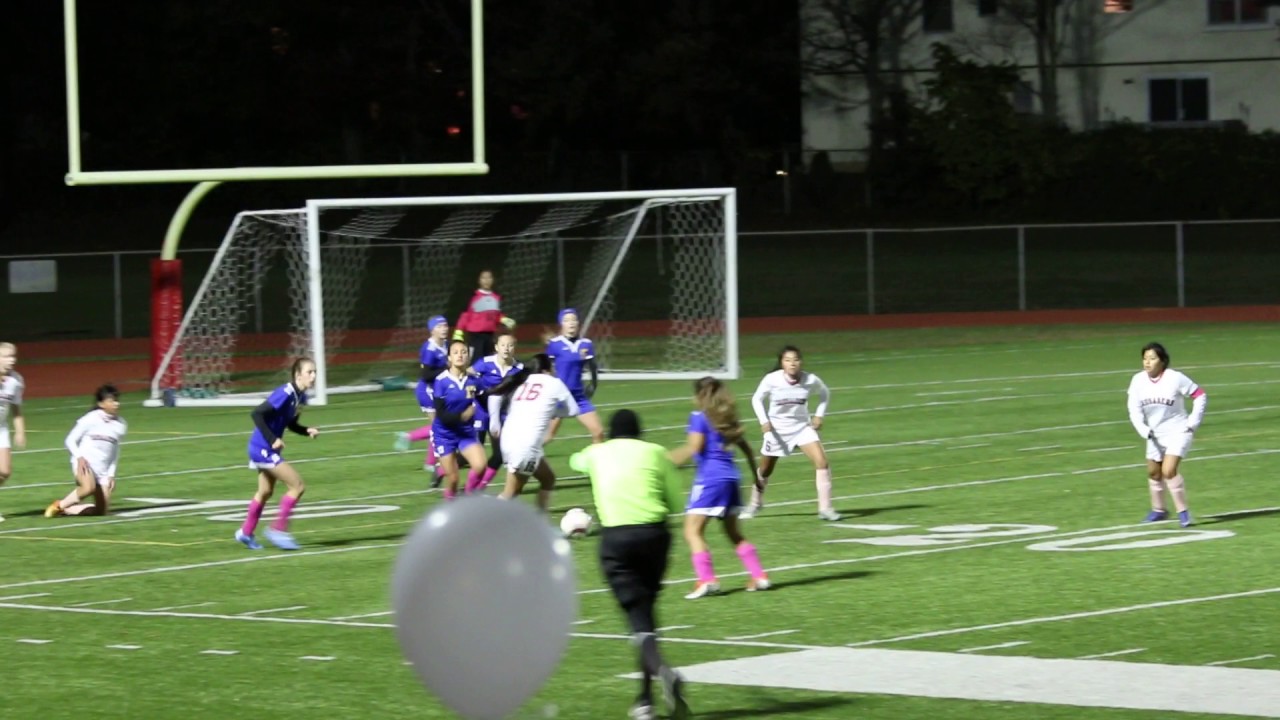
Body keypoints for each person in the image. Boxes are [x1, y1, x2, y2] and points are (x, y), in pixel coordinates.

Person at [569, 410, 690, 720]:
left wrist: (596, 446)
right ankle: (646, 701)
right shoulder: (656, 453)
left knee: (638, 620)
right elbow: (676, 504)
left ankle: (664, 672)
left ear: (611, 433)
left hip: (617, 540)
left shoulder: (597, 453)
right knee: (646, 619)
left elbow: (574, 461)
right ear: (640, 432)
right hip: (655, 536)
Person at [669, 378, 770, 599]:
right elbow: (747, 448)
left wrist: (666, 461)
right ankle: (759, 575)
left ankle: (707, 580)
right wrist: (756, 476)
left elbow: (693, 447)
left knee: (692, 531)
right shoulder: (727, 418)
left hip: (710, 480)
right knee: (733, 533)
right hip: (732, 479)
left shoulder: (699, 417)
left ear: (698, 396)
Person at [745, 345, 840, 521]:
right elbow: (756, 399)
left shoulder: (810, 380)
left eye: (796, 360)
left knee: (822, 462)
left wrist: (819, 415)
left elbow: (825, 393)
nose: (792, 363)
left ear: (801, 362)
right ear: (782, 363)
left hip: (802, 428)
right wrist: (764, 421)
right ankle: (755, 503)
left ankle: (826, 509)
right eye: (787, 360)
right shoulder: (772, 379)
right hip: (778, 431)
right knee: (765, 469)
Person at [236, 358, 320, 551]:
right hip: (262, 447)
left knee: (265, 492)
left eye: (315, 372)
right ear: (298, 375)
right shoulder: (285, 393)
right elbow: (257, 414)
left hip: (265, 447)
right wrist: (273, 439)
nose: (314, 376)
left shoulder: (301, 397)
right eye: (310, 372)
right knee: (297, 486)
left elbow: (290, 423)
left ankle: (245, 533)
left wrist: (307, 430)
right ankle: (277, 529)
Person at [1127, 341, 1208, 528]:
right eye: (1145, 358)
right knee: (1154, 473)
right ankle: (1159, 510)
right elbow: (1133, 408)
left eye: (1152, 358)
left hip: (1178, 431)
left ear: (1162, 361)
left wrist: (1193, 422)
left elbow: (1200, 395)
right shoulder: (1138, 380)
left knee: (1168, 471)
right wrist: (1143, 429)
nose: (1147, 362)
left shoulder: (1175, 378)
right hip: (1154, 434)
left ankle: (1183, 513)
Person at [486, 353, 579, 511]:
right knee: (511, 493)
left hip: (508, 440)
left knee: (548, 479)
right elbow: (573, 410)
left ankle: (541, 525)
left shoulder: (522, 381)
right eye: (553, 366)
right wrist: (554, 412)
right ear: (546, 369)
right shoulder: (554, 383)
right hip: (526, 445)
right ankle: (479, 521)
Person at [46, 384, 126, 517]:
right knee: (88, 488)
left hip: (103, 471)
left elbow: (115, 450)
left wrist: (111, 474)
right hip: (85, 464)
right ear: (101, 403)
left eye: (117, 400)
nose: (116, 404)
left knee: (101, 511)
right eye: (111, 401)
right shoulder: (90, 419)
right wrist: (79, 457)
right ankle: (58, 506)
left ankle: (67, 510)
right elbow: (70, 440)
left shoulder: (121, 424)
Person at [394, 315, 451, 485]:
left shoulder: (445, 345)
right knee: (439, 427)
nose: (444, 328)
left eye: (446, 325)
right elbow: (426, 375)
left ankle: (410, 438)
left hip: (438, 391)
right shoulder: (429, 348)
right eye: (440, 326)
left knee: (440, 426)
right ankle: (430, 462)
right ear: (432, 329)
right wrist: (447, 369)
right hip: (427, 391)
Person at [467, 330, 524, 493]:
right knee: (476, 457)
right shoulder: (485, 362)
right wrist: (471, 395)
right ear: (496, 347)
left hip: (502, 415)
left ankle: (478, 488)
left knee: (499, 456)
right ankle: (445, 472)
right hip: (480, 412)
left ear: (515, 348)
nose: (506, 348)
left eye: (510, 345)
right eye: (503, 345)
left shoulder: (519, 369)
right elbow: (467, 375)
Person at [432, 339, 488, 499]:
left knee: (480, 466)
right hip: (444, 434)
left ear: (468, 356)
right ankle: (450, 509)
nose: (460, 355)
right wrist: (462, 416)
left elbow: (485, 401)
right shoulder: (441, 381)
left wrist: (489, 420)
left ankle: (467, 496)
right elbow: (441, 415)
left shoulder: (474, 380)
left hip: (465, 433)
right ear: (449, 357)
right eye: (455, 352)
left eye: (463, 352)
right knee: (453, 479)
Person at [544, 308, 605, 445]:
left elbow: (592, 366)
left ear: (578, 323)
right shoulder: (555, 344)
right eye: (566, 320)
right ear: (561, 324)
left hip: (579, 397)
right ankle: (523, 458)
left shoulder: (586, 344)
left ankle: (598, 461)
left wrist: (593, 385)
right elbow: (546, 368)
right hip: (560, 397)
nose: (571, 323)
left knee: (598, 432)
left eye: (573, 319)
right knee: (547, 437)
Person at [453, 269, 516, 361]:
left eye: (489, 277)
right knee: (475, 361)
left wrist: (504, 319)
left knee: (489, 360)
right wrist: (458, 332)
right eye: (484, 278)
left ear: (493, 280)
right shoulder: (472, 296)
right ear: (479, 280)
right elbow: (465, 315)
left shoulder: (496, 297)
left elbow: (496, 314)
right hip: (475, 336)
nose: (486, 280)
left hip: (490, 335)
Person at [0, 342, 25, 523]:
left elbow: (16, 409)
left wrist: (20, 431)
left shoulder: (16, 380)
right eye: (7, 356)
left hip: (1, 429)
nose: (12, 360)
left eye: (13, 356)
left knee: (5, 471)